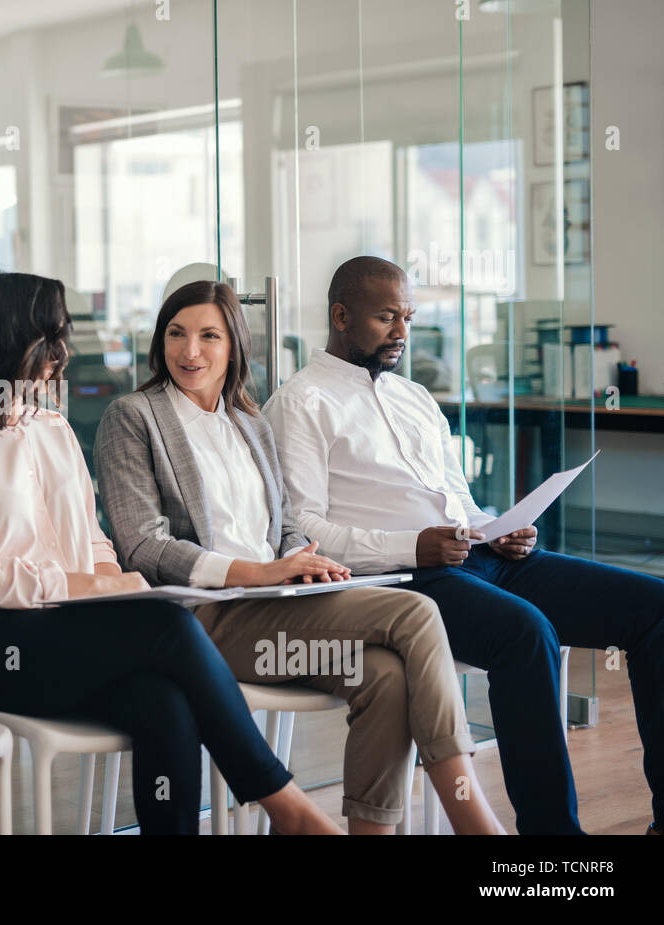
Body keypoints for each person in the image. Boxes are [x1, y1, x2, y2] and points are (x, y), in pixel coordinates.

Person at [0, 271, 343, 835]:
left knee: (163, 702)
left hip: (75, 629)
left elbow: (93, 540)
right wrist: (98, 588)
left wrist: (102, 578)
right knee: (166, 625)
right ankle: (284, 803)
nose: (64, 353)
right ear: (5, 341)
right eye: (51, 337)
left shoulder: (55, 430)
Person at [263, 255, 664, 835]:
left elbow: (458, 500)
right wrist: (414, 546)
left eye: (408, 316)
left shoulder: (415, 399)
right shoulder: (300, 404)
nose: (402, 332)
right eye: (386, 318)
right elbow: (304, 533)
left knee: (652, 608)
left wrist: (500, 527)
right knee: (526, 633)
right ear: (341, 316)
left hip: (480, 558)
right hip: (406, 581)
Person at [95, 280, 504, 834]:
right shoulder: (134, 416)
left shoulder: (249, 421)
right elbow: (142, 544)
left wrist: (306, 559)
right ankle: (473, 817)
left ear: (234, 346)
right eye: (177, 334)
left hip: (279, 608)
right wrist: (259, 572)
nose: (190, 351)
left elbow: (285, 525)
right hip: (204, 622)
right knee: (414, 611)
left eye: (208, 336)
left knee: (383, 676)